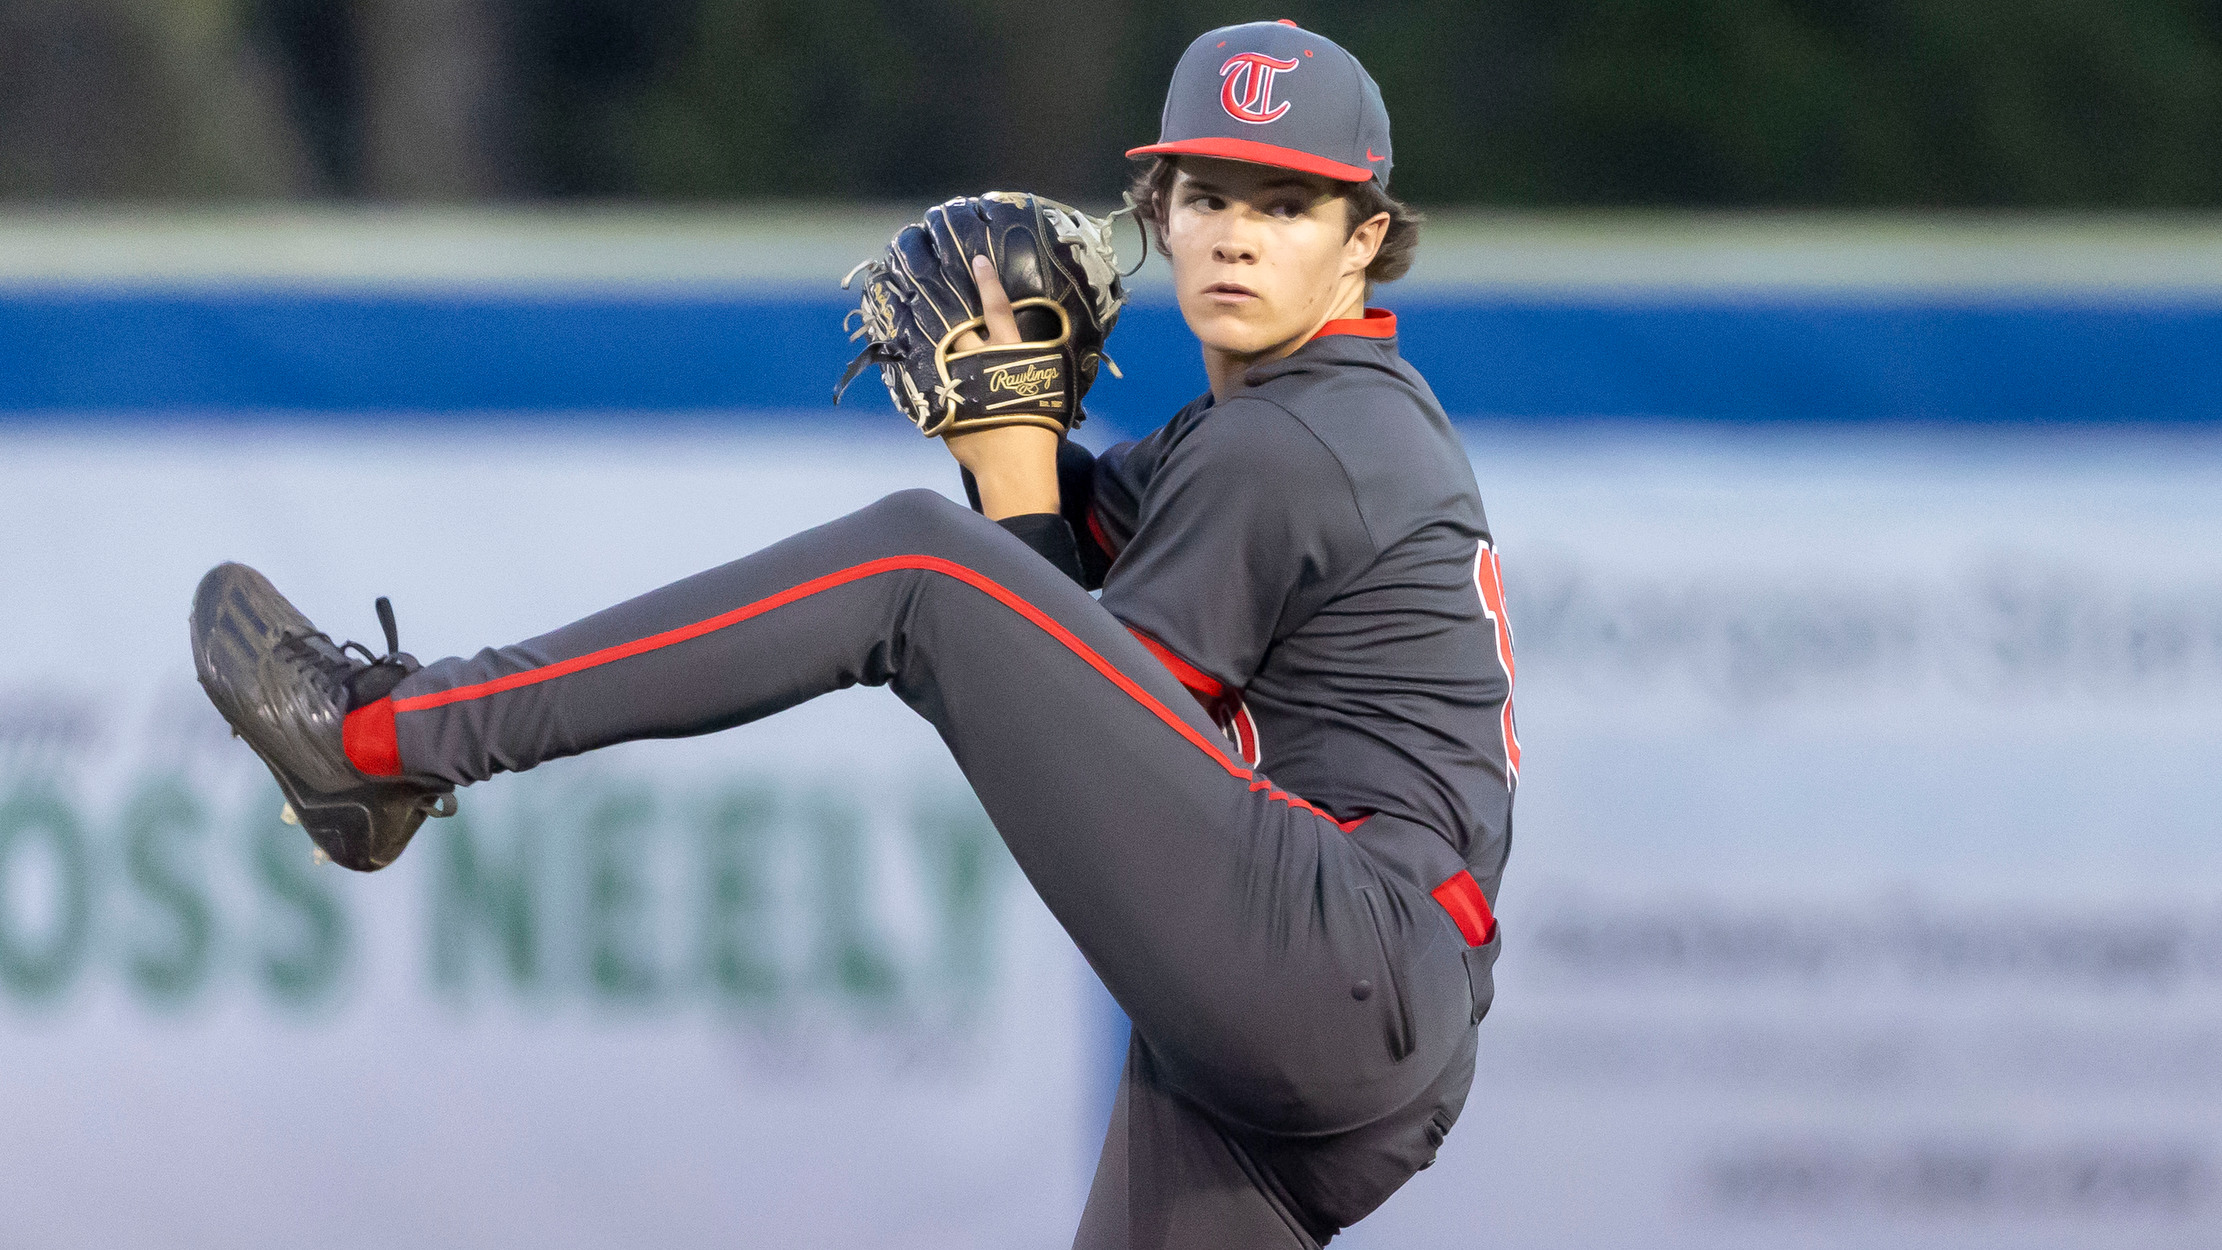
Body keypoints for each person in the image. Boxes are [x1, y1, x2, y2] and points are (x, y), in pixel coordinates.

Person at [190, 19, 1514, 1249]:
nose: (1237, 234)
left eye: (1286, 204)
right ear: (1158, 213)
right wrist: (1025, 456)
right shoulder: (1287, 424)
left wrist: (1004, 460)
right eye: (1210, 196)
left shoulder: (1291, 444)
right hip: (1340, 1003)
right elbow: (1066, 641)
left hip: (1340, 948)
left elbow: (1096, 706)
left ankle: (382, 736)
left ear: (1363, 240)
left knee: (907, 566)